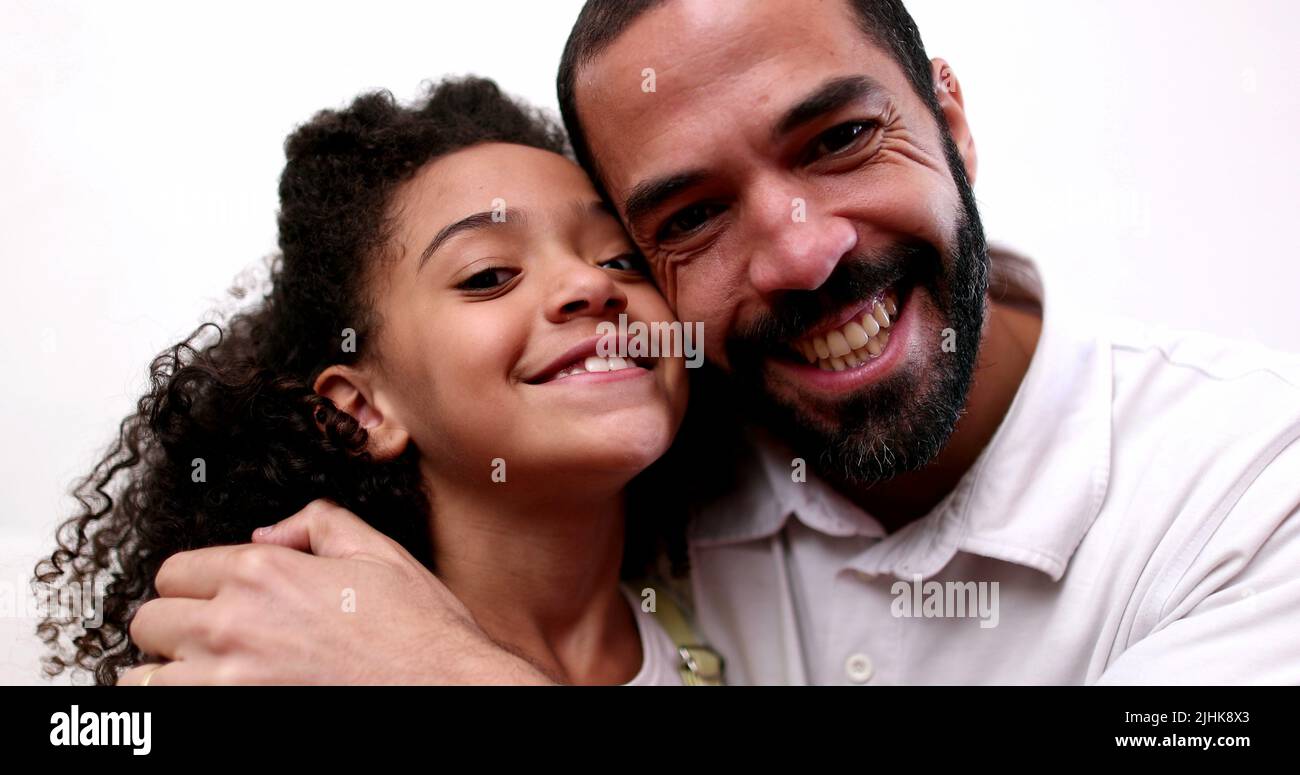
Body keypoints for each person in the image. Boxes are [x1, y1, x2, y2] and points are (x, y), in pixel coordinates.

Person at [114, 0, 1300, 686]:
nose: (795, 255)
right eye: (683, 220)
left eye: (837, 138)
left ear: (948, 119)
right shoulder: (665, 476)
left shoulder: (1254, 489)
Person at [36, 76, 717, 686]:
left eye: (622, 258)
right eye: (488, 275)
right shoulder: (269, 670)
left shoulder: (736, 621)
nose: (591, 282)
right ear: (363, 408)